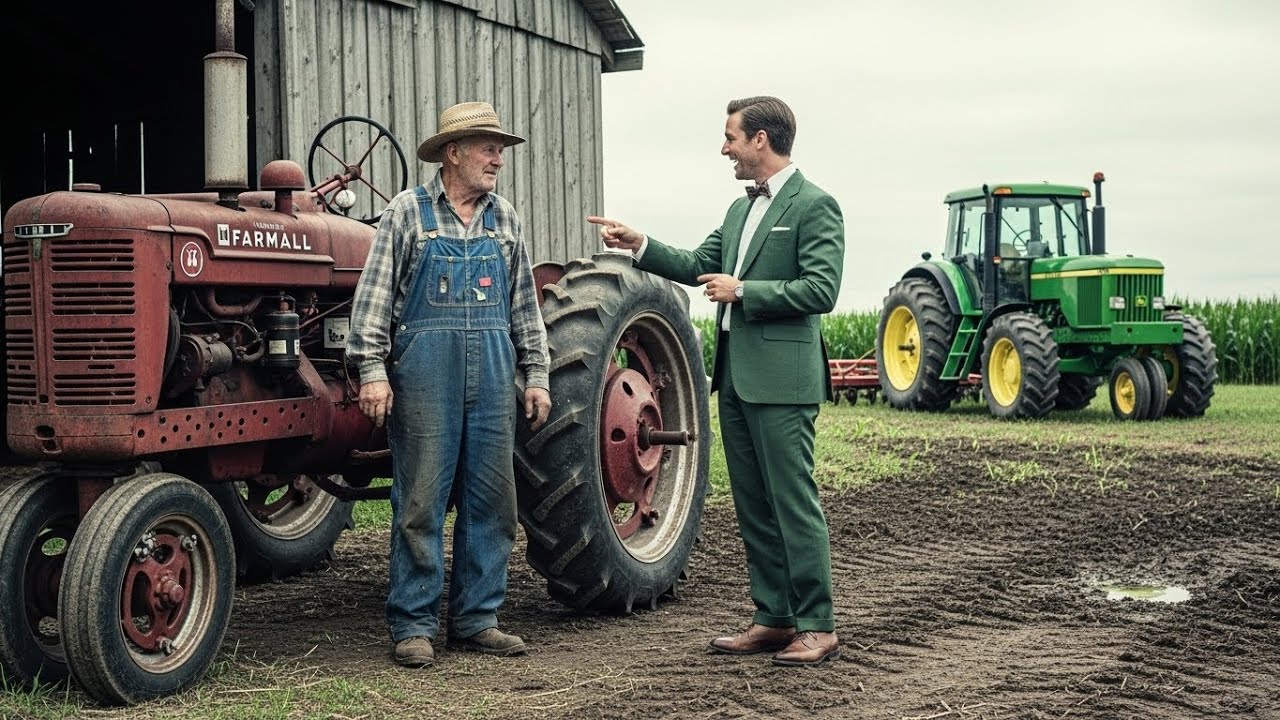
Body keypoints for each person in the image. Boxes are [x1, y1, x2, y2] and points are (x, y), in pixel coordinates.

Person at [587, 96, 845, 666]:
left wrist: (745, 292)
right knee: (754, 503)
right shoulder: (739, 210)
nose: (723, 147)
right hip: (736, 380)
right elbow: (697, 261)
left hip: (783, 382)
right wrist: (641, 244)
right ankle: (774, 618)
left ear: (761, 140)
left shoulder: (815, 205)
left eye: (730, 136)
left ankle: (818, 624)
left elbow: (822, 290)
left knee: (792, 502)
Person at [347, 100, 552, 668]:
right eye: (488, 148)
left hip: (492, 372)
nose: (498, 160)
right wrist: (371, 369)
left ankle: (475, 619)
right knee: (421, 500)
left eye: (501, 150)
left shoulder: (504, 219)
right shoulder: (407, 213)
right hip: (424, 373)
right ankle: (413, 623)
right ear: (453, 153)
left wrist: (535, 375)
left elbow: (523, 309)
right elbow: (375, 299)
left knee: (493, 500)